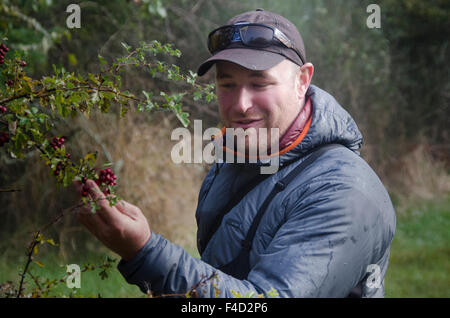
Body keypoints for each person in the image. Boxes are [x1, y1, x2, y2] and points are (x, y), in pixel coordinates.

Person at [75, 9, 396, 297]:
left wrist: (146, 253)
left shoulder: (343, 192)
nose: (241, 105)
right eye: (227, 85)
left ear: (302, 80)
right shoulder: (238, 157)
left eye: (259, 84)